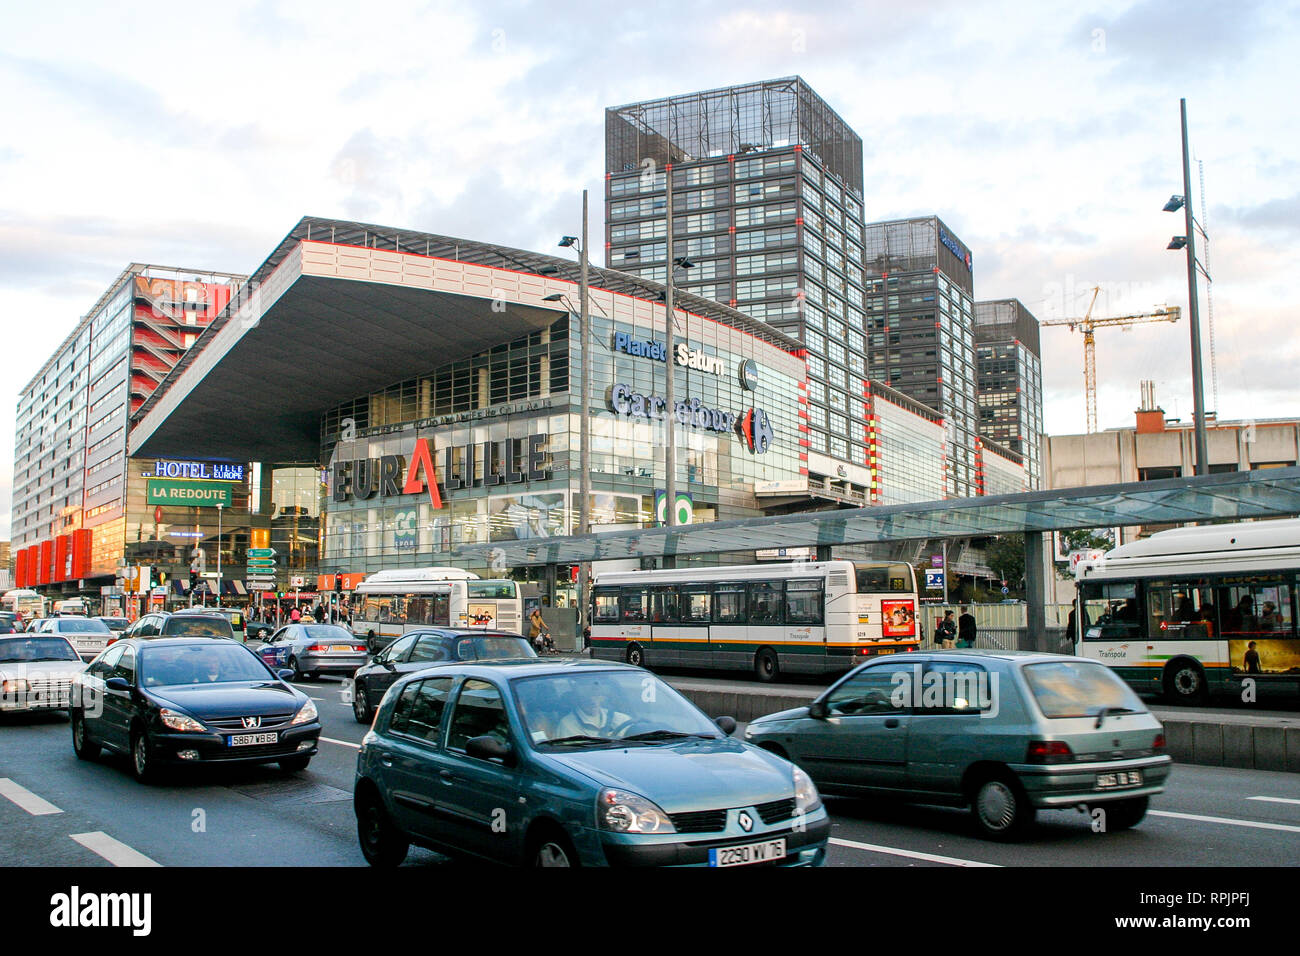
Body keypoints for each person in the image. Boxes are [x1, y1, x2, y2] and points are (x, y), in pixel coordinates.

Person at [554, 680, 628, 740]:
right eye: (588, 697)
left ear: (602, 698)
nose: (593, 702)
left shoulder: (621, 718)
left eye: (596, 696)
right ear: (579, 700)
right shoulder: (567, 724)